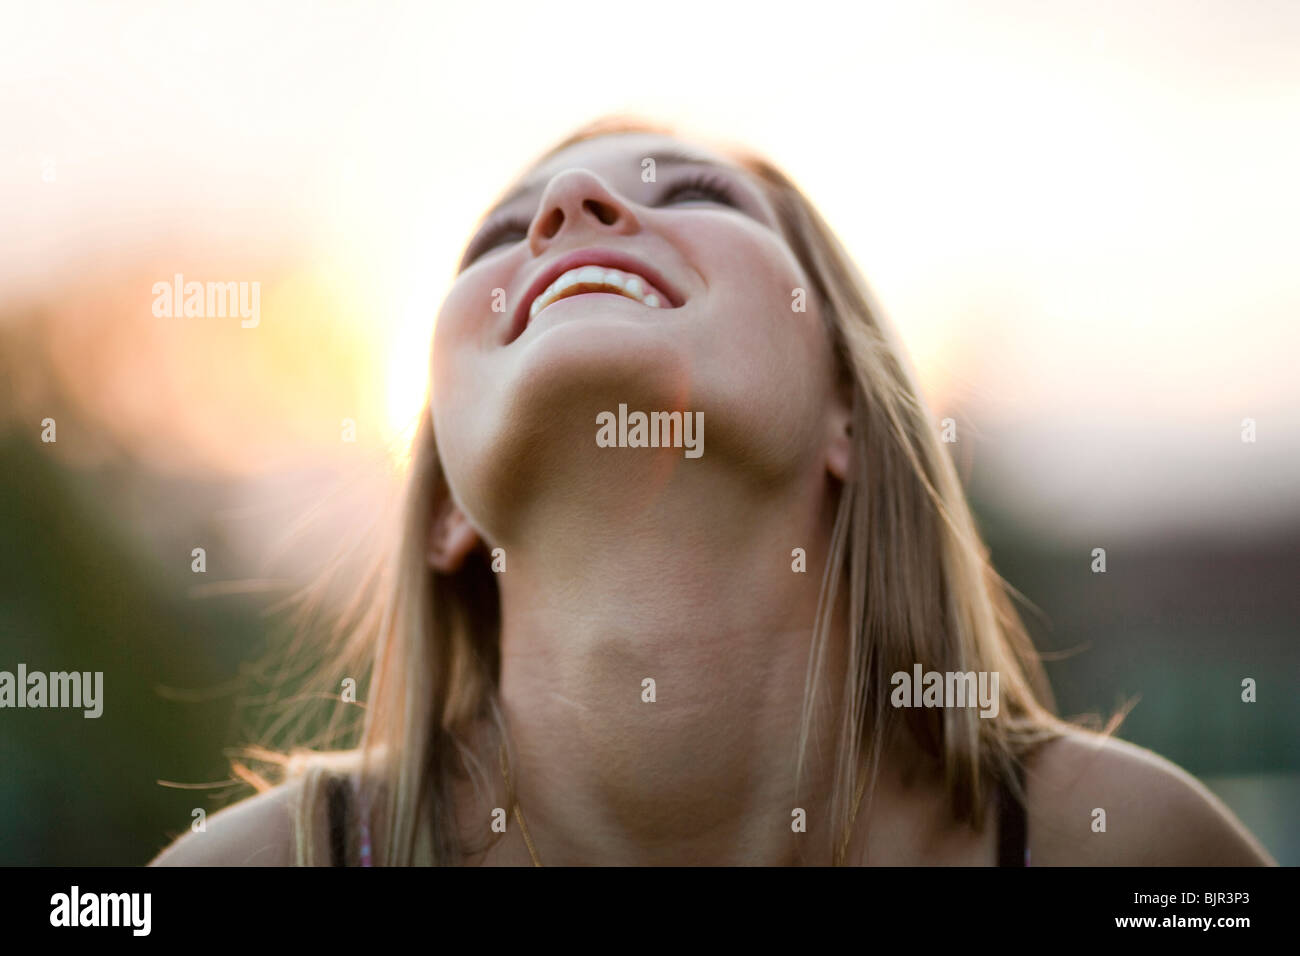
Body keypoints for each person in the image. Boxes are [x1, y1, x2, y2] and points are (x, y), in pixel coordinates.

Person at [151, 117, 1275, 867]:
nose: (575, 205)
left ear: (848, 409)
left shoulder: (1126, 848)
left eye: (692, 193)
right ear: (444, 505)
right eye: (502, 232)